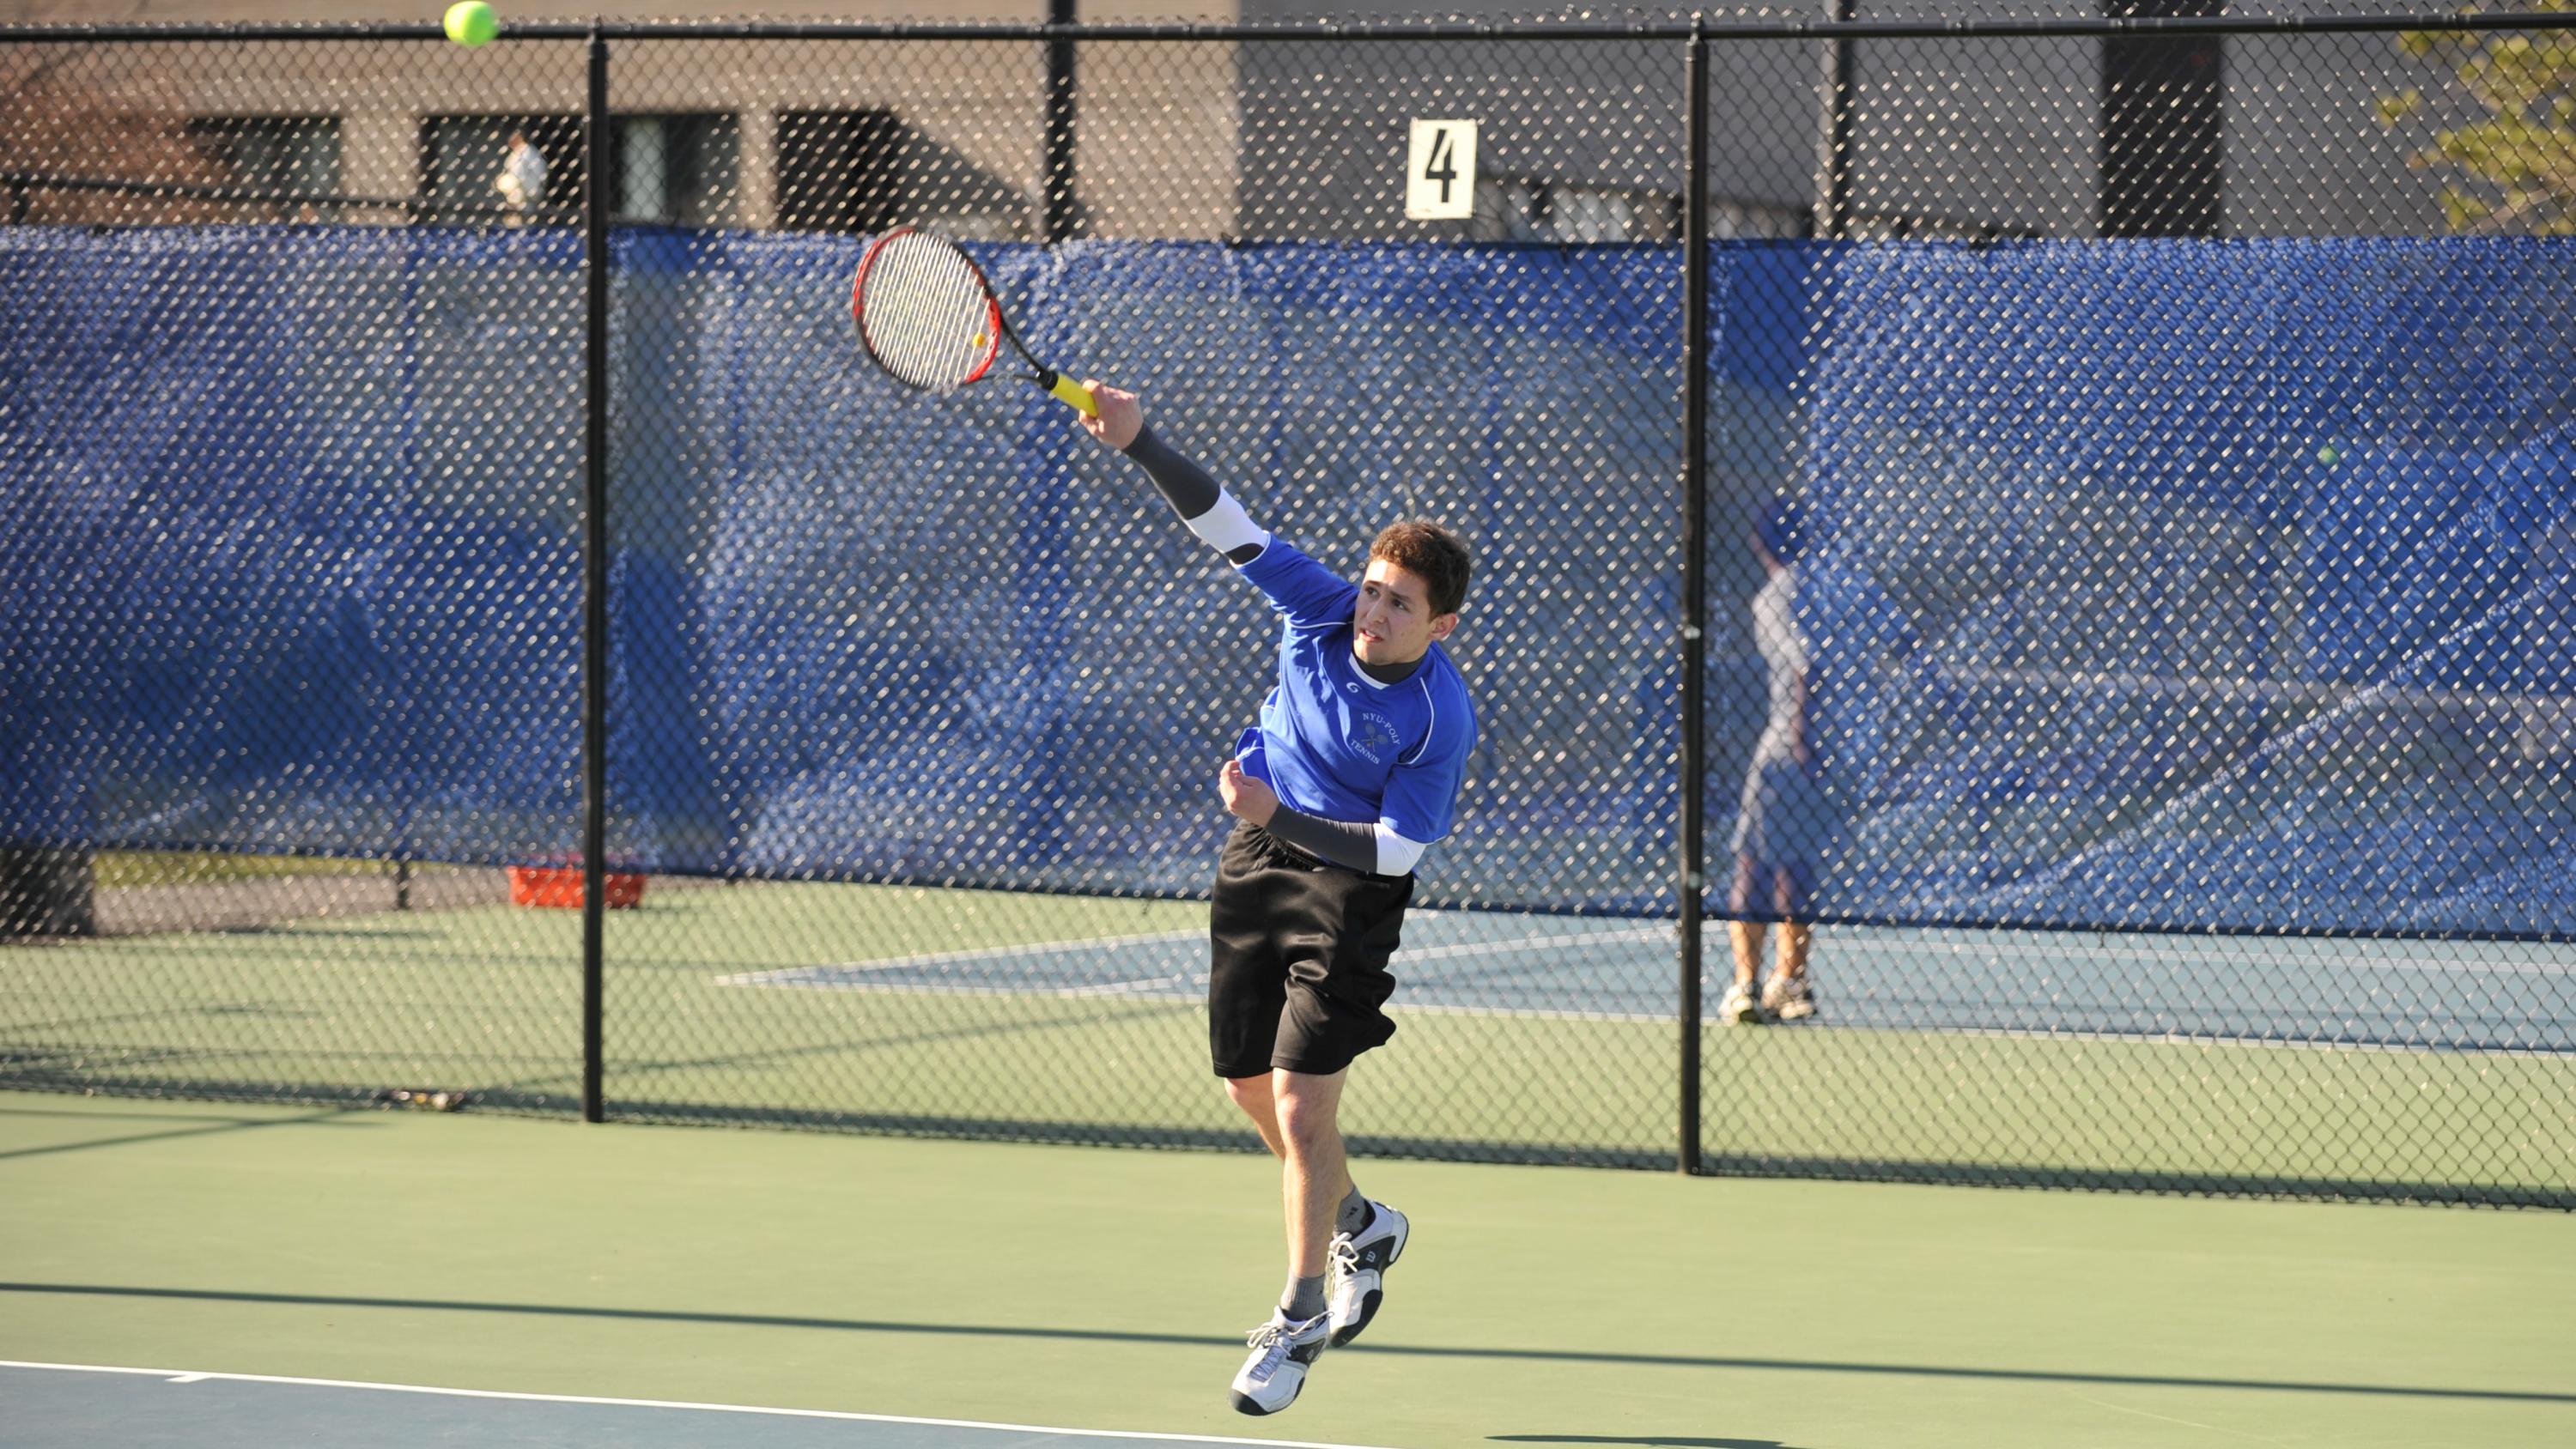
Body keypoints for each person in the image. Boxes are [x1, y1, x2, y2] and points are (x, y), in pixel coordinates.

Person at [1078, 382, 1476, 1417]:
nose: (1375, 612)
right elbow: (1227, 522)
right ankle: (1361, 1221)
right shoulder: (1317, 606)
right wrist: (1140, 440)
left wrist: (1279, 813)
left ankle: (1299, 1321)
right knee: (1248, 1091)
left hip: (1349, 893)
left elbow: (1395, 850)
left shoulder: (1439, 715)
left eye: (1401, 604)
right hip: (1257, 857)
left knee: (1303, 1102)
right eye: (1374, 589)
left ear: (1440, 624)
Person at [1722, 498, 1825, 1024]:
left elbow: (1804, 661)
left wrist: (1802, 736)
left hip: (1791, 751)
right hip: (1845, 754)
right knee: (1796, 864)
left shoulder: (1776, 595)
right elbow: (1902, 642)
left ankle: (1749, 985)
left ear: (1759, 544)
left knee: (1753, 866)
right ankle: (1790, 981)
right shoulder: (1842, 583)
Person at [493, 130, 546, 222]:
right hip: (522, 192)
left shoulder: (527, 152)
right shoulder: (518, 153)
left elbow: (517, 176)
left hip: (525, 192)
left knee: (520, 220)